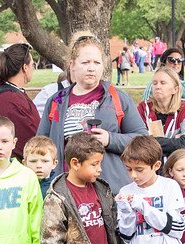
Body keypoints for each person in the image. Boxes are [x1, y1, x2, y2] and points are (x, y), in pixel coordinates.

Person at [37, 35, 149, 191]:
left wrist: (110, 139)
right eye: (85, 62)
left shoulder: (117, 98)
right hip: (67, 190)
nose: (91, 68)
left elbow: (143, 141)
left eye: (97, 62)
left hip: (109, 189)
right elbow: (41, 144)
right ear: (72, 65)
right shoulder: (57, 101)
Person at [138, 64, 185, 148]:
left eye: (162, 83)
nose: (157, 86)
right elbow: (138, 141)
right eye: (154, 83)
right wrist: (175, 141)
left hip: (176, 159)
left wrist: (151, 140)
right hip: (149, 159)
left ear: (175, 89)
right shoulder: (143, 108)